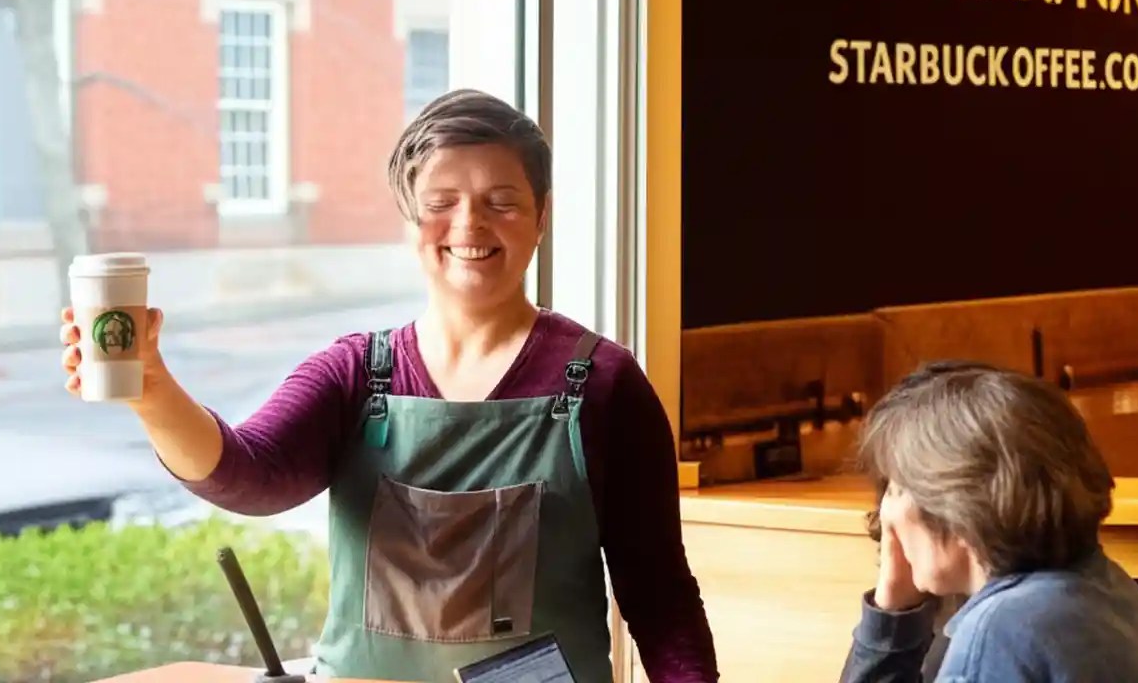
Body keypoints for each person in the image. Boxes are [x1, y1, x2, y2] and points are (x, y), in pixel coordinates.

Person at [59, 89, 718, 682]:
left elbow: (659, 599)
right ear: (409, 220)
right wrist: (150, 387)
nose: (469, 226)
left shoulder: (605, 385)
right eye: (441, 203)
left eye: (502, 202)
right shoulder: (355, 374)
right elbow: (246, 474)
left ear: (541, 216)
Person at [839, 361, 1138, 683]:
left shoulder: (1000, 631)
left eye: (898, 489)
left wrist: (888, 625)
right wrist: (893, 608)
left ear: (955, 504)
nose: (886, 515)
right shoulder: (1107, 587)